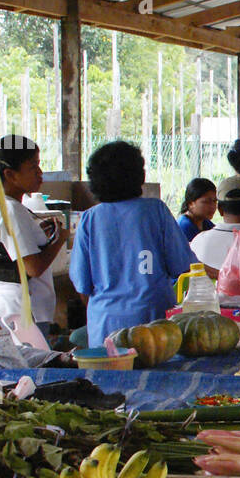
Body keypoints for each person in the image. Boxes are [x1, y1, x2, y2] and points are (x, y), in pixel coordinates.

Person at [69, 140, 197, 347]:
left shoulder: (89, 219)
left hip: (105, 327)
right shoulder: (156, 211)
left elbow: (82, 283)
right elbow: (181, 265)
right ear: (139, 176)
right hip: (154, 325)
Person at [0, 134, 64, 340]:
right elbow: (33, 268)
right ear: (10, 174)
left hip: (12, 307)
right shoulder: (11, 210)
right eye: (33, 167)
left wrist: (41, 236)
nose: (40, 173)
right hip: (24, 313)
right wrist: (60, 240)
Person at [176, 177, 217, 242]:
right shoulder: (184, 227)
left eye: (214, 201)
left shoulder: (206, 223)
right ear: (191, 204)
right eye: (206, 202)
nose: (213, 206)